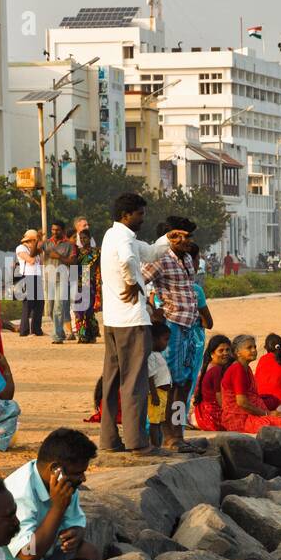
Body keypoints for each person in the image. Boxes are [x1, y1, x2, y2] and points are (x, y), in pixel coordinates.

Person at [3, 427, 103, 560]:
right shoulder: (19, 493)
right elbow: (27, 554)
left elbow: (76, 523)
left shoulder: (62, 483)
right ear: (55, 469)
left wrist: (76, 534)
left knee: (88, 553)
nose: (83, 478)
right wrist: (57, 508)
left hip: (46, 558)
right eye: (78, 473)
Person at [100, 192, 169, 457]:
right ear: (126, 215)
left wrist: (168, 240)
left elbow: (150, 253)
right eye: (140, 213)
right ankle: (136, 442)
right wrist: (131, 282)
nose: (143, 218)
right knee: (135, 382)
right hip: (131, 321)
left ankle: (108, 439)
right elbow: (128, 260)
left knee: (113, 380)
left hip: (113, 321)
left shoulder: (112, 235)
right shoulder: (123, 239)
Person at [143, 217, 204, 454]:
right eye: (177, 235)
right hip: (173, 326)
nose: (183, 240)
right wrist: (152, 309)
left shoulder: (187, 258)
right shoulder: (160, 257)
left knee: (184, 383)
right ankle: (164, 437)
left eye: (187, 236)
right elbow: (139, 280)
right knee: (168, 383)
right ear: (167, 237)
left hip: (189, 327)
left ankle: (178, 435)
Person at [219, 334, 281, 437]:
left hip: (250, 413)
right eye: (249, 348)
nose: (254, 350)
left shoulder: (245, 368)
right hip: (239, 419)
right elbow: (242, 402)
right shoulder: (237, 369)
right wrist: (267, 414)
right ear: (238, 352)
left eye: (254, 347)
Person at [43, 221, 79, 343]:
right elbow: (33, 253)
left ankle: (57, 336)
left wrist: (58, 257)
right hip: (49, 279)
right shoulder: (47, 243)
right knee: (50, 308)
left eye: (57, 230)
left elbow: (73, 262)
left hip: (62, 280)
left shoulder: (69, 245)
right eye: (53, 229)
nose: (54, 232)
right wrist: (37, 240)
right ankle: (61, 331)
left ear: (63, 231)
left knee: (58, 308)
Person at [192, 333, 232, 431]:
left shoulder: (209, 366)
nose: (225, 353)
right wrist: (229, 413)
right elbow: (219, 397)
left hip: (202, 412)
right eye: (221, 351)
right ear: (212, 353)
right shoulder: (216, 370)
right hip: (211, 416)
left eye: (227, 350)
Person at [72, 225, 101, 344]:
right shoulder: (77, 252)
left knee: (88, 311)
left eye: (85, 238)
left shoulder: (96, 252)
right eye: (81, 238)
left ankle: (92, 334)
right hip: (78, 283)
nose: (83, 240)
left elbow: (99, 268)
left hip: (90, 283)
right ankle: (82, 335)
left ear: (90, 238)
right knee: (79, 311)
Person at [147, 322, 173, 447]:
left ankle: (159, 444)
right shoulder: (151, 356)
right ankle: (155, 445)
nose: (166, 343)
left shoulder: (158, 355)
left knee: (161, 420)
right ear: (154, 339)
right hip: (156, 393)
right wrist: (154, 394)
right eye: (165, 340)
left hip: (163, 393)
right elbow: (150, 377)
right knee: (154, 422)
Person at [15, 229, 44, 337]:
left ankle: (37, 329)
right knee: (28, 305)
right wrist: (36, 247)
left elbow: (41, 262)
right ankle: (24, 330)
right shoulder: (21, 248)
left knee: (39, 304)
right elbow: (31, 260)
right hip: (27, 277)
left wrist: (38, 249)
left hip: (37, 277)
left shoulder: (35, 250)